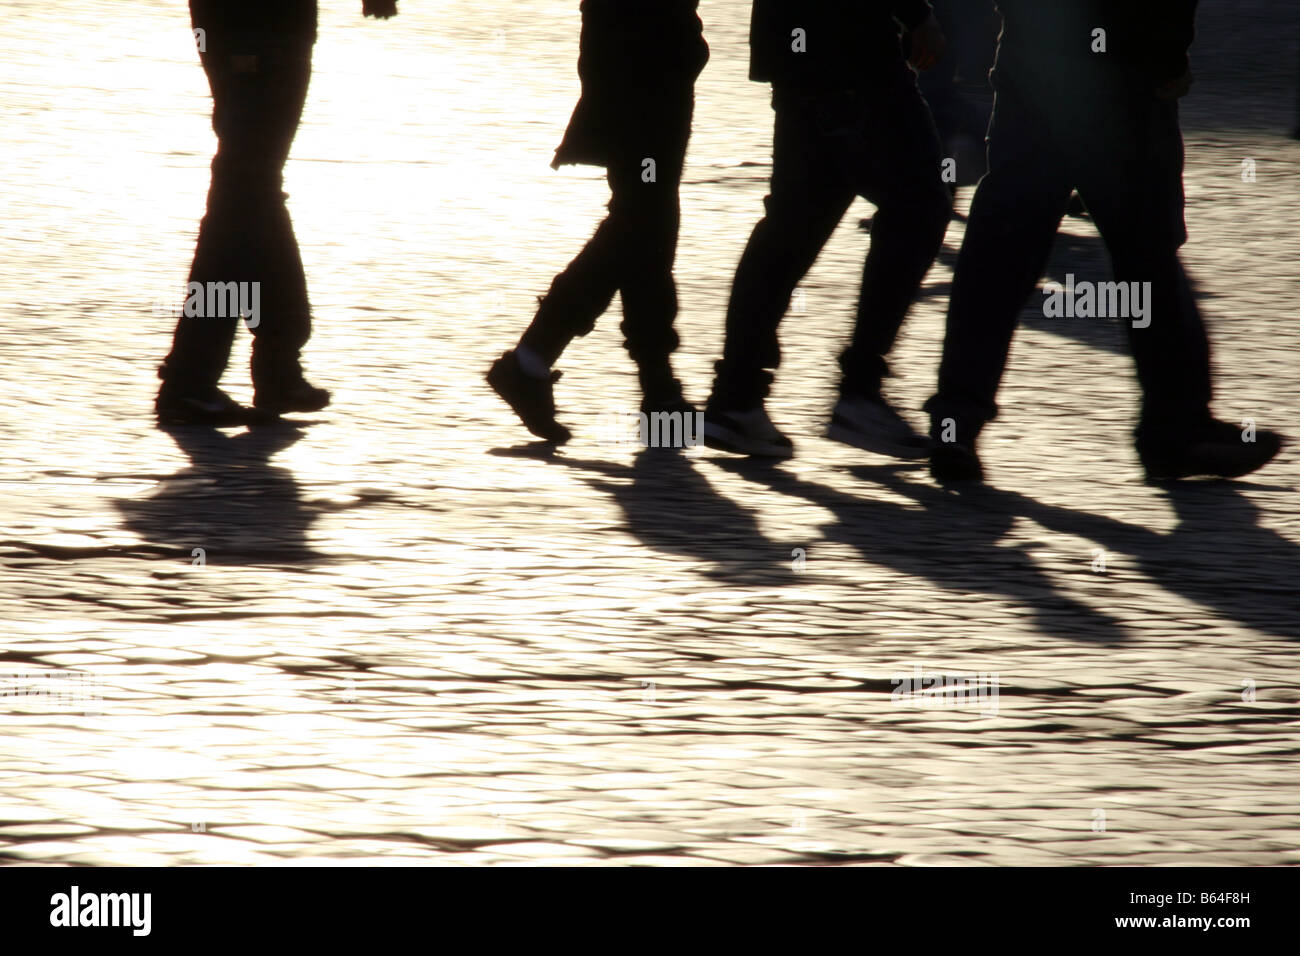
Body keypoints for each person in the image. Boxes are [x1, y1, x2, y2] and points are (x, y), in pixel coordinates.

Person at [924, 0, 1284, 482]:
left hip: (1036, 57)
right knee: (1147, 257)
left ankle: (956, 421)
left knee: (1001, 250)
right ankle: (1176, 429)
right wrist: (1168, 57)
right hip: (1121, 71)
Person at [702, 0, 952, 460]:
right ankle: (858, 390)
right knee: (920, 204)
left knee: (795, 222)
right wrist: (915, 13)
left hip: (803, 48)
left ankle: (736, 398)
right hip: (852, 48)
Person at [155, 0, 398, 427]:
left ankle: (274, 360)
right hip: (264, 30)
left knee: (251, 189)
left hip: (236, 29)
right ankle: (195, 378)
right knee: (243, 197)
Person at [487, 0, 709, 444]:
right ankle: (535, 359)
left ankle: (659, 394)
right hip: (644, 56)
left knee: (648, 218)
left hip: (647, 50)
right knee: (643, 215)